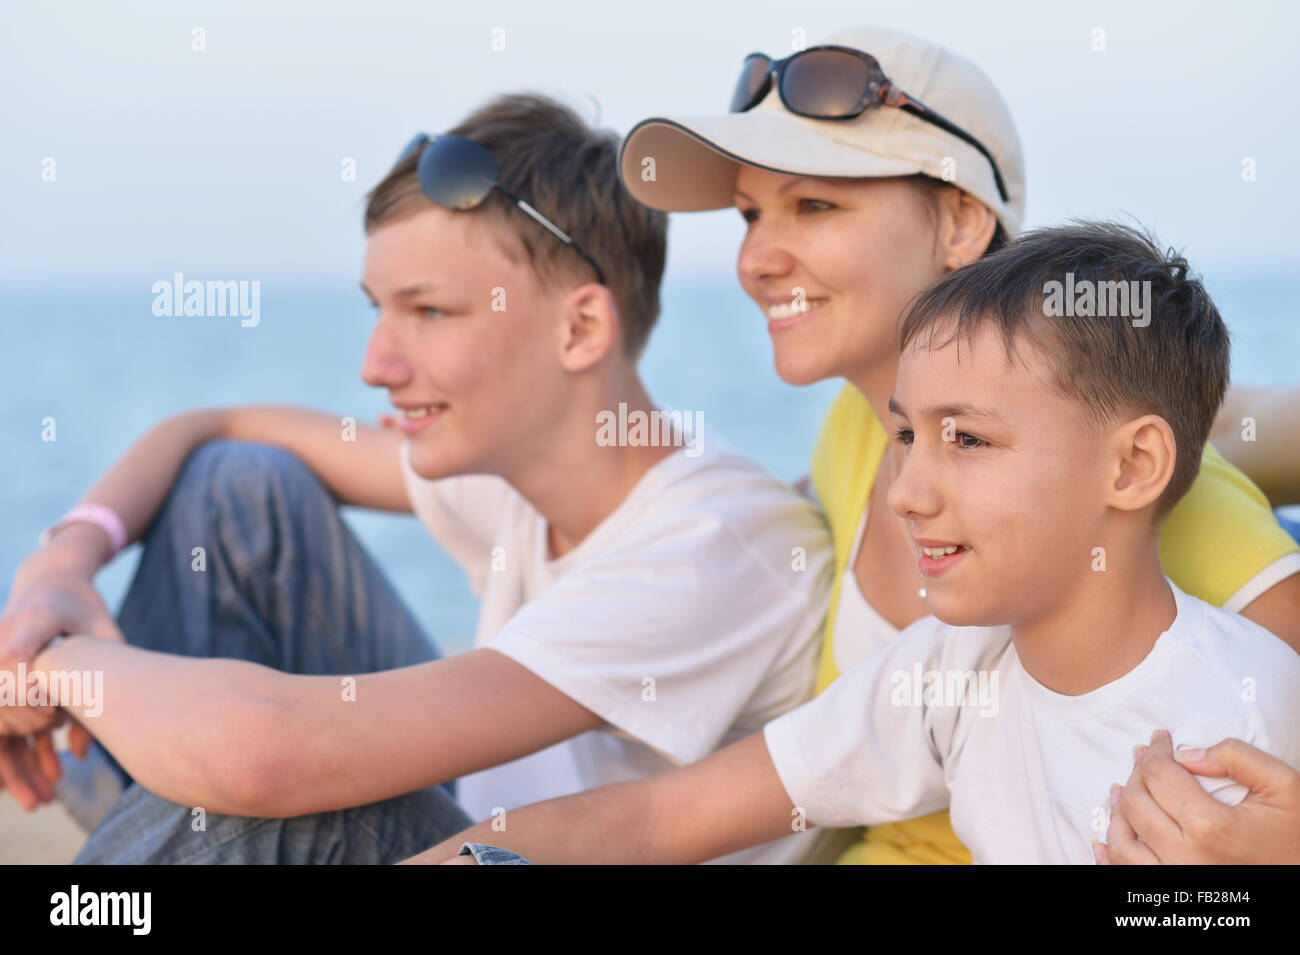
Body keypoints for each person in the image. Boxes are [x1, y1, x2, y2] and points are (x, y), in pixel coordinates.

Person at [0, 93, 833, 864]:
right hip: (471, 827)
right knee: (237, 487)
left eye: (429, 312)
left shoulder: (711, 544)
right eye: (378, 309)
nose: (375, 365)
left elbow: (266, 757)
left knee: (271, 789)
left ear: (580, 327)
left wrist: (57, 662)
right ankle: (128, 807)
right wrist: (60, 566)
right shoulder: (527, 459)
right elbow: (214, 427)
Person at [613, 25, 1300, 863]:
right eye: (750, 215)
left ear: (962, 222)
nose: (756, 257)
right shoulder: (849, 438)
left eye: (814, 204)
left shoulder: (1159, 503)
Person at [409, 222, 1300, 865]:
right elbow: (657, 821)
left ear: (1134, 466)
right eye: (908, 435)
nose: (907, 494)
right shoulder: (959, 663)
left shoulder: (1232, 733)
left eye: (970, 439)